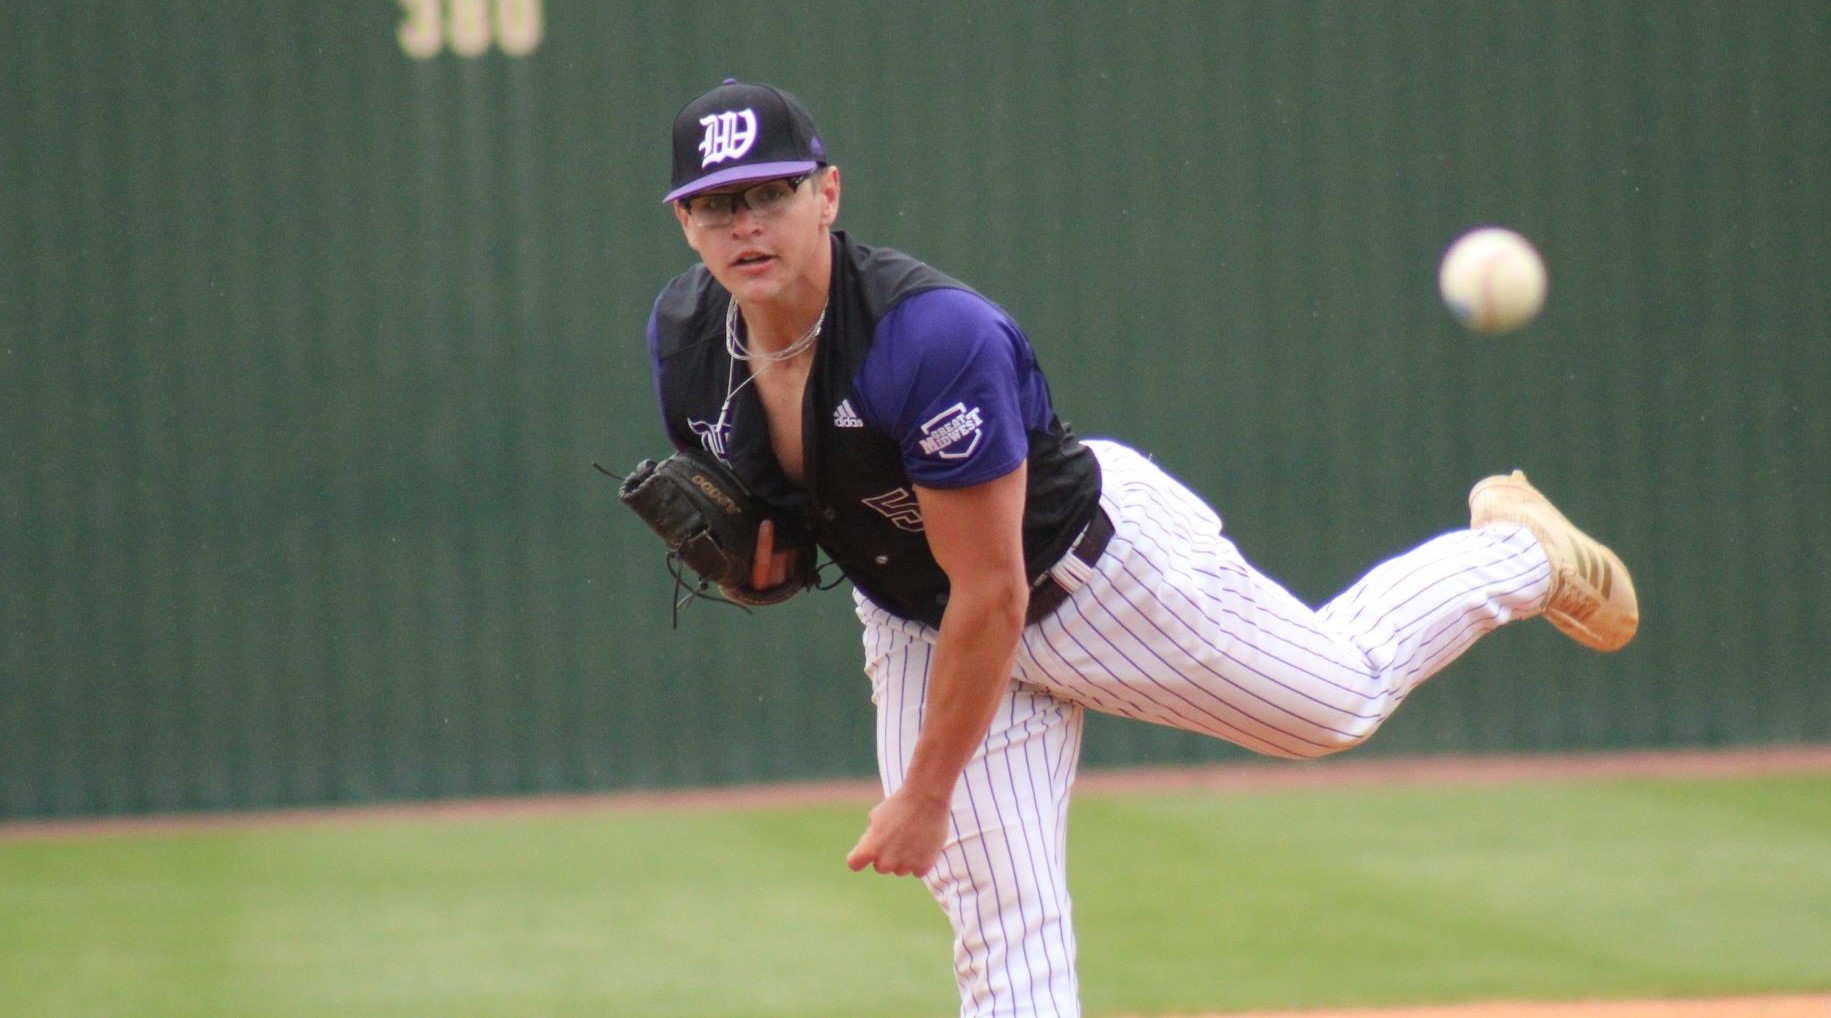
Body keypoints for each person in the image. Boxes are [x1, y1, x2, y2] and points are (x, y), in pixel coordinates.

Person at [643, 79, 1638, 1018]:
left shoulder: (931, 337)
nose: (744, 224)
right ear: (682, 220)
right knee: (1003, 928)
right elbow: (787, 510)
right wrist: (768, 550)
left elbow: (990, 592)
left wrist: (924, 794)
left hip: (1096, 575)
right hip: (921, 614)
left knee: (1339, 700)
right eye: (714, 203)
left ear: (827, 194)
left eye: (769, 193)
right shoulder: (687, 338)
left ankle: (1517, 552)